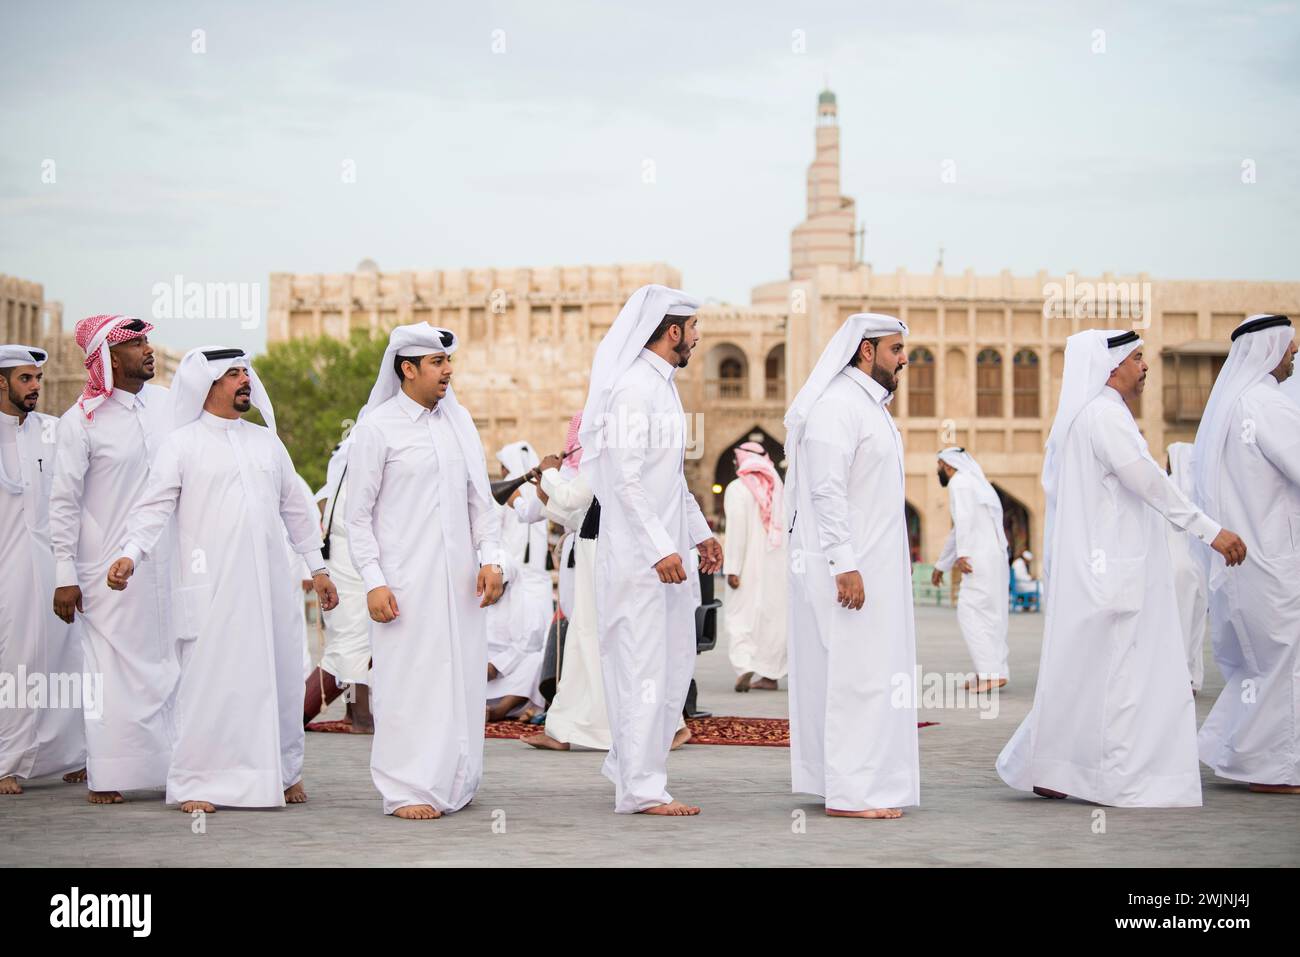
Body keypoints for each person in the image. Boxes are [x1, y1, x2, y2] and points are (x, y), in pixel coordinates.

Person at [996, 329, 1246, 807]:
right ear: (1112, 367)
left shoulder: (1092, 417)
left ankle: (1048, 767)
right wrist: (1210, 531)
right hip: (1115, 573)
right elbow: (1151, 484)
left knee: (1087, 674)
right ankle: (1116, 779)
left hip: (1107, 569)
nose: (1146, 366)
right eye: (1137, 358)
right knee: (1123, 679)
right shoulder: (1104, 418)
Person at [107, 347, 338, 812]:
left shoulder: (266, 443)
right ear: (207, 385)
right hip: (211, 590)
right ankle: (198, 782)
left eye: (245, 372)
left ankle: (284, 771)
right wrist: (130, 554)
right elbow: (153, 509)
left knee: (280, 677)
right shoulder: (182, 444)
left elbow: (296, 510)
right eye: (232, 374)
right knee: (209, 685)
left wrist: (319, 568)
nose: (244, 380)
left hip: (270, 590)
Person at [344, 322, 504, 820]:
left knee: (459, 680)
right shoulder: (376, 428)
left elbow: (483, 503)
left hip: (460, 586)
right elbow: (357, 516)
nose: (448, 371)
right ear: (406, 369)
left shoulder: (459, 424)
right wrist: (373, 580)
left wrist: (492, 559)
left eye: (448, 362)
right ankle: (406, 787)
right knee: (409, 682)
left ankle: (456, 778)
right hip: (403, 586)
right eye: (437, 363)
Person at [577, 284, 722, 816]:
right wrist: (661, 548)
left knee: (670, 667)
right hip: (640, 564)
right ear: (672, 330)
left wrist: (700, 532)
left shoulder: (663, 388)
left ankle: (631, 765)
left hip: (667, 562)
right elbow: (624, 481)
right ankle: (640, 789)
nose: (698, 336)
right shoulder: (634, 389)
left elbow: (671, 481)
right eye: (692, 327)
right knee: (641, 670)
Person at [784, 312, 919, 820]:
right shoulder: (838, 406)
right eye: (895, 349)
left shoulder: (869, 407)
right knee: (855, 678)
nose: (903, 359)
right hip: (848, 569)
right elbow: (825, 490)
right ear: (866, 351)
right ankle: (850, 793)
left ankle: (852, 782)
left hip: (872, 568)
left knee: (869, 674)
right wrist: (845, 563)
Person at [48, 314, 178, 804]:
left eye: (146, 341)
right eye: (135, 343)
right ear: (107, 357)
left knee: (170, 661)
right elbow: (62, 502)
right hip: (103, 566)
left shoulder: (168, 406)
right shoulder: (79, 421)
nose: (148, 349)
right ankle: (109, 773)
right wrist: (65, 574)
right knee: (111, 668)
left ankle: (174, 768)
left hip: (169, 558)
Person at [1193, 314, 1300, 793]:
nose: (1294, 354)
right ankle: (1271, 771)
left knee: (1257, 668)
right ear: (1269, 348)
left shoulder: (1230, 407)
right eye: (1289, 346)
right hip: (1273, 559)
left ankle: (1228, 750)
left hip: (1243, 563)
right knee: (1283, 666)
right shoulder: (1264, 404)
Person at [0, 344, 86, 795]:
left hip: (54, 567)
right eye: (25, 379)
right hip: (8, 569)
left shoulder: (54, 431)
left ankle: (72, 755)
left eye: (38, 379)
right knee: (14, 665)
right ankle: (6, 762)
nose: (36, 387)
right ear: (1, 383)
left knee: (65, 659)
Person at [304, 438, 373, 732]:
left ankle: (293, 717)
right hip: (350, 557)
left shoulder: (352, 453)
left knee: (348, 642)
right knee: (355, 639)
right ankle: (360, 716)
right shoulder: (363, 451)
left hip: (346, 555)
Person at [931, 447, 1010, 691]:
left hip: (978, 558)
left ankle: (990, 673)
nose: (938, 472)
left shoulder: (960, 483)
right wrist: (941, 565)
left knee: (969, 610)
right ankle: (995, 670)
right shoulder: (975, 484)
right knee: (990, 614)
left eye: (939, 467)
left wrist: (963, 554)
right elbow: (958, 531)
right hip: (992, 558)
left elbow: (963, 521)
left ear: (948, 466)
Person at [484, 441, 551, 723]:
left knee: (541, 660)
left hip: (522, 582)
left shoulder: (536, 497)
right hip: (506, 578)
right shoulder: (540, 494)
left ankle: (502, 709)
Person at [722, 441, 788, 692]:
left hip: (748, 565)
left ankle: (744, 663)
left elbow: (736, 532)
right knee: (773, 618)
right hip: (777, 565)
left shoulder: (738, 488)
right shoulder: (779, 487)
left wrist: (732, 568)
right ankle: (770, 675)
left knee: (740, 614)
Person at [1165, 443, 1208, 692]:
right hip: (1196, 565)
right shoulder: (1198, 492)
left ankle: (1181, 675)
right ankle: (1191, 675)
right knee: (1194, 623)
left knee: (1181, 621)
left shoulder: (1171, 491)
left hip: (1177, 565)